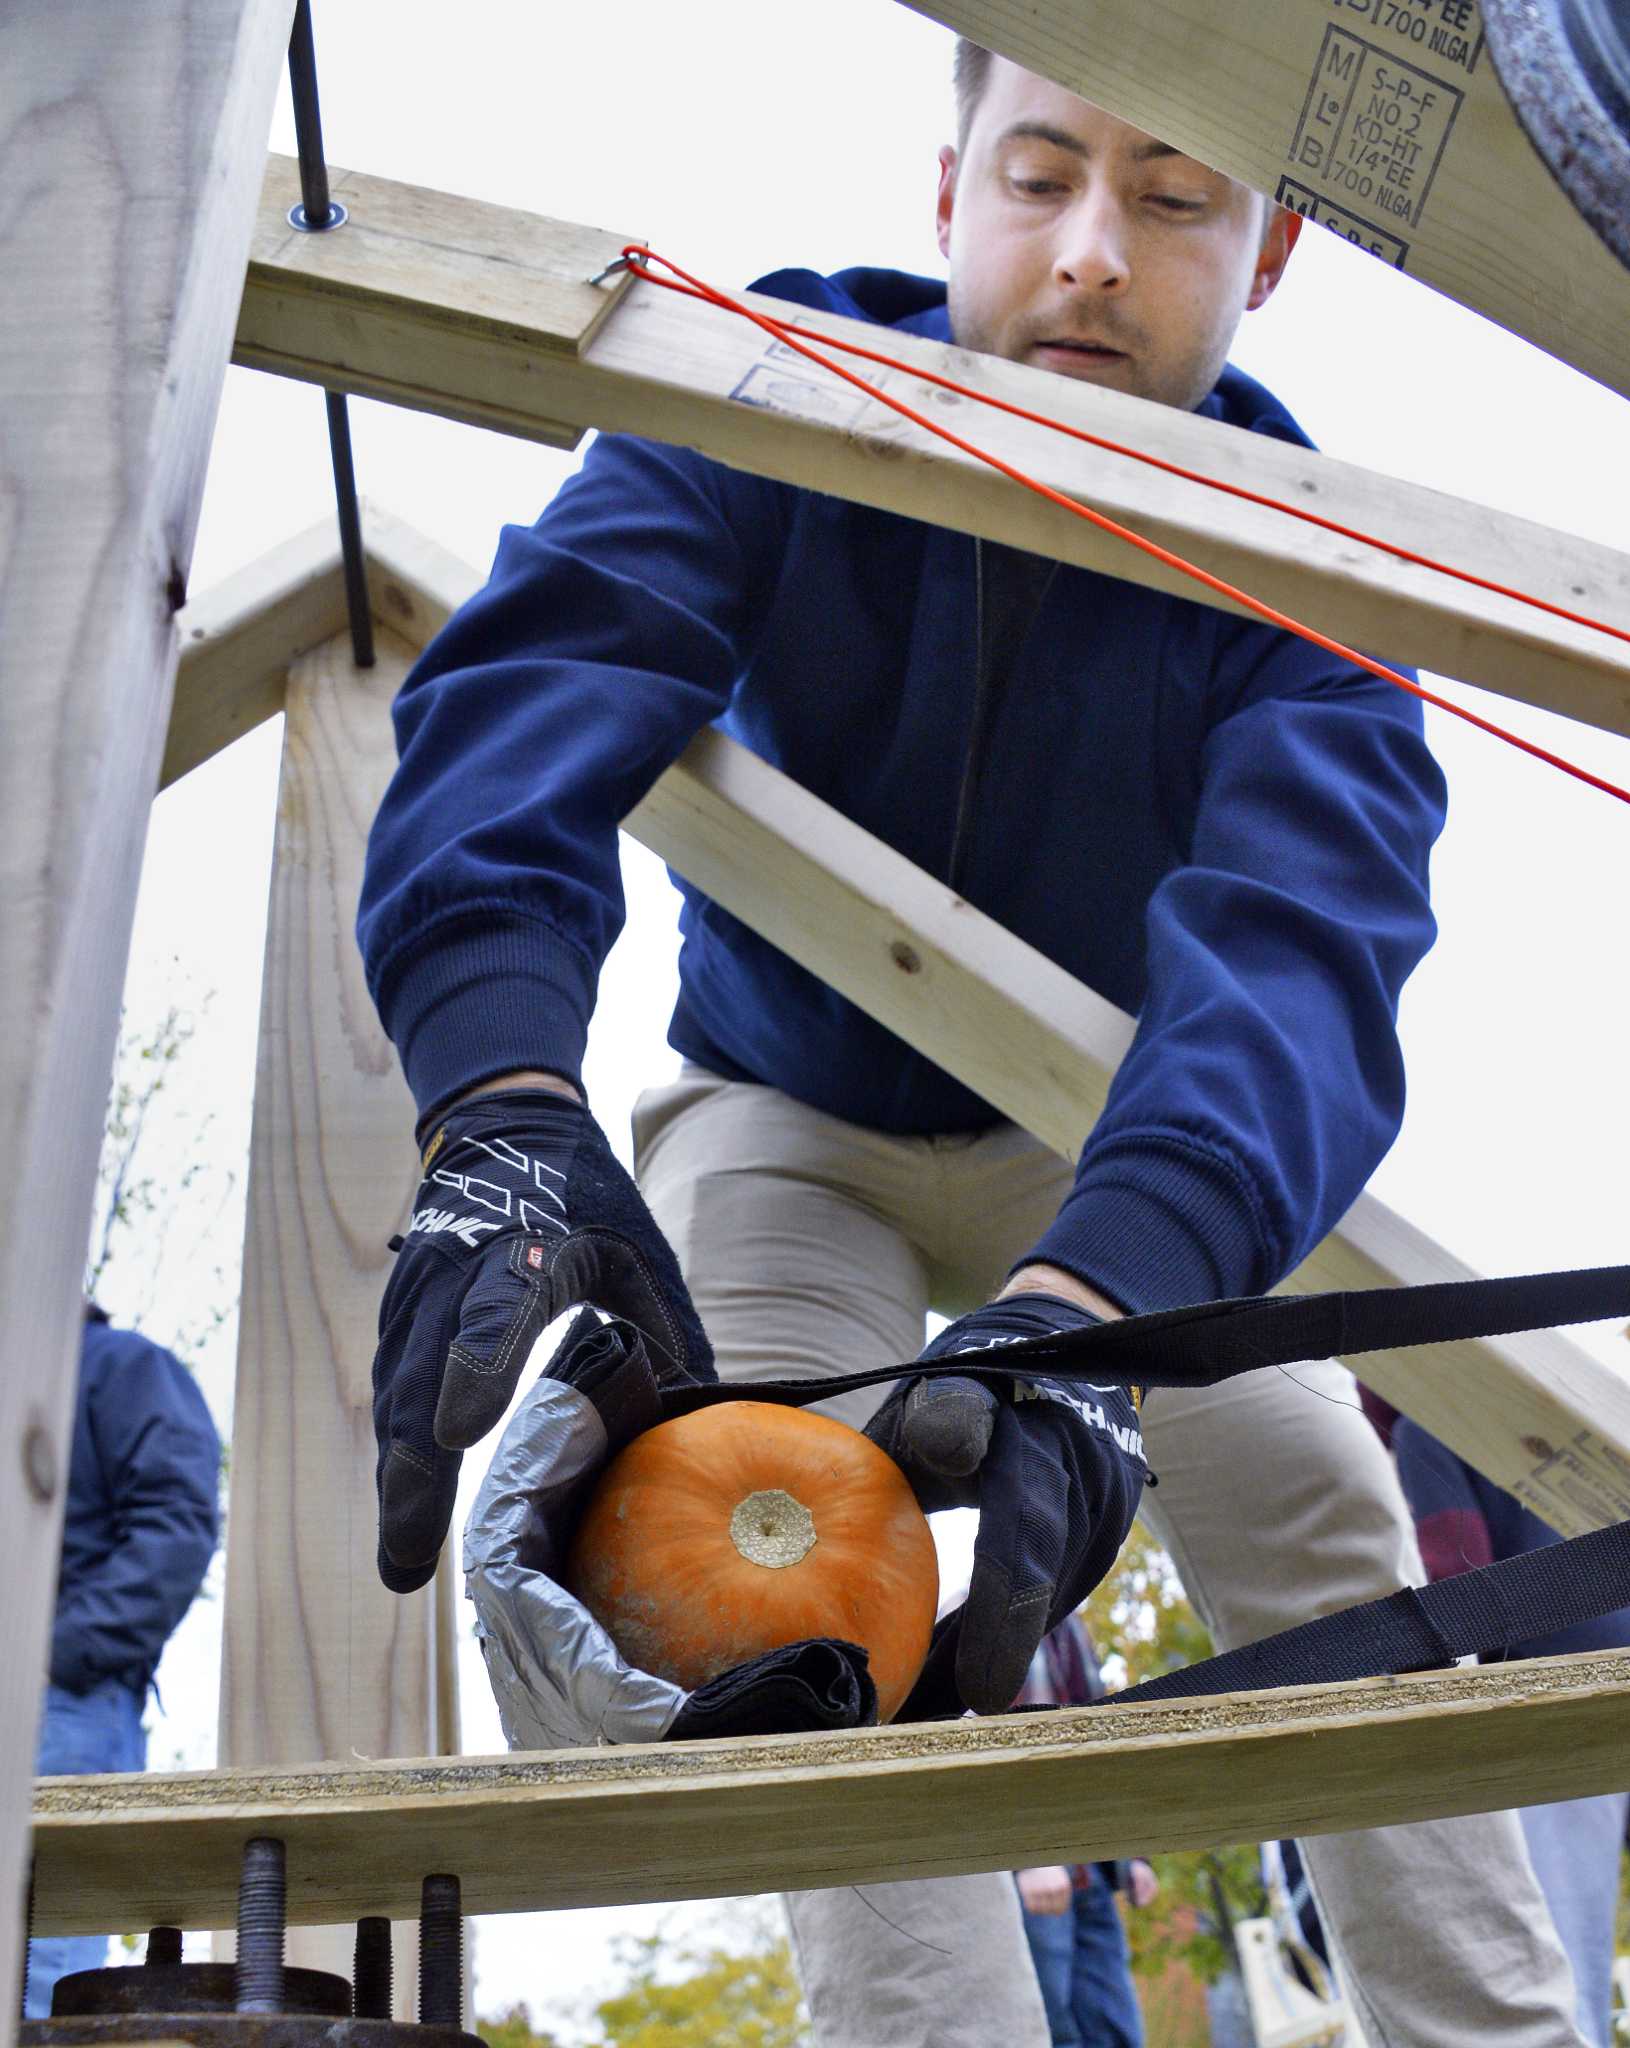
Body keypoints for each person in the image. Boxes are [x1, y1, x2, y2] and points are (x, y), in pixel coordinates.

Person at [357, 39, 1588, 2048]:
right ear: (944, 189)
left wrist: (1101, 1297)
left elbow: (1297, 953)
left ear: (1270, 249)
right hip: (781, 1112)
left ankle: (1495, 2036)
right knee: (769, 1562)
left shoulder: (1311, 562)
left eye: (1174, 198)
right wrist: (497, 1091)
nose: (1092, 251)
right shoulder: (754, 387)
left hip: (1105, 1146)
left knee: (1305, 1494)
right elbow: (540, 685)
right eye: (1038, 174)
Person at [1367, 1393, 1630, 2048]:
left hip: (1559, 1710)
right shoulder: (1565, 1425)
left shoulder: (1433, 1429)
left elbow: (1457, 1581)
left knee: (1567, 1949)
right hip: (1609, 1671)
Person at [24, 1305, 219, 2019]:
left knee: (38, 1977)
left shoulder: (116, 1367)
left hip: (62, 1710)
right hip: (58, 1697)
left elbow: (176, 1527)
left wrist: (52, 1659)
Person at [1014, 1615, 1156, 2047]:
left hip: (1091, 1866)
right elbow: (986, 1744)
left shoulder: (1069, 1627)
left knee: (1114, 2030)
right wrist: (1030, 1855)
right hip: (1031, 1875)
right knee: (1047, 2027)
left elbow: (1102, 1739)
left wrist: (1133, 1854)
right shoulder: (974, 1614)